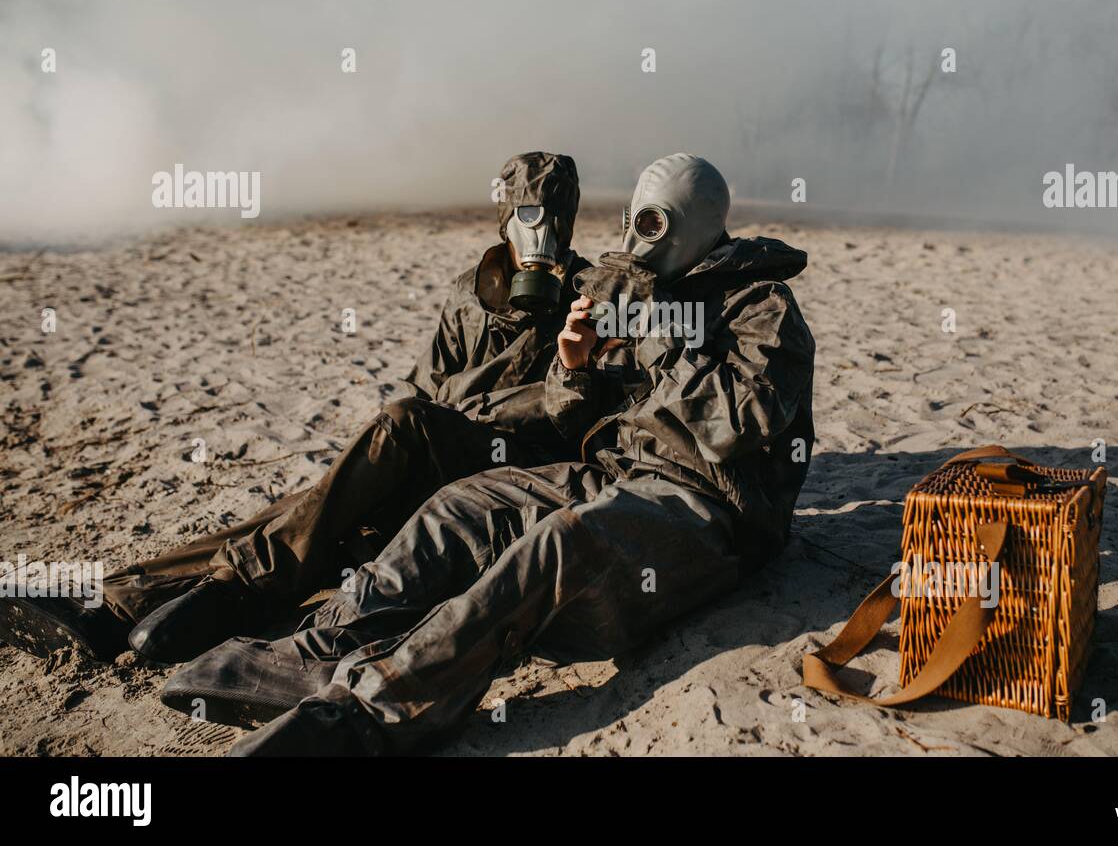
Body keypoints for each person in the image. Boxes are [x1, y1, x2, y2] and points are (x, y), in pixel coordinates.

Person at [174, 153, 816, 754]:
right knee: (459, 506)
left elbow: (734, 424)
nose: (638, 236)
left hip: (710, 509)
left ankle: (379, 708)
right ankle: (322, 647)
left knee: (561, 543)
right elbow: (574, 421)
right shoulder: (651, 294)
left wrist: (650, 329)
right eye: (633, 218)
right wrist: (575, 366)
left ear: (699, 224)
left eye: (653, 221)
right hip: (615, 471)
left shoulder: (760, 307)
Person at [0, 152, 591, 665]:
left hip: (506, 470)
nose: (536, 232)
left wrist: (569, 354)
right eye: (525, 215)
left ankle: (242, 588)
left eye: (550, 218)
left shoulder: (589, 298)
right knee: (314, 507)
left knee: (391, 433)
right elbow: (426, 386)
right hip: (430, 453)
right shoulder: (470, 292)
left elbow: (572, 415)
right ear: (504, 216)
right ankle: (111, 604)